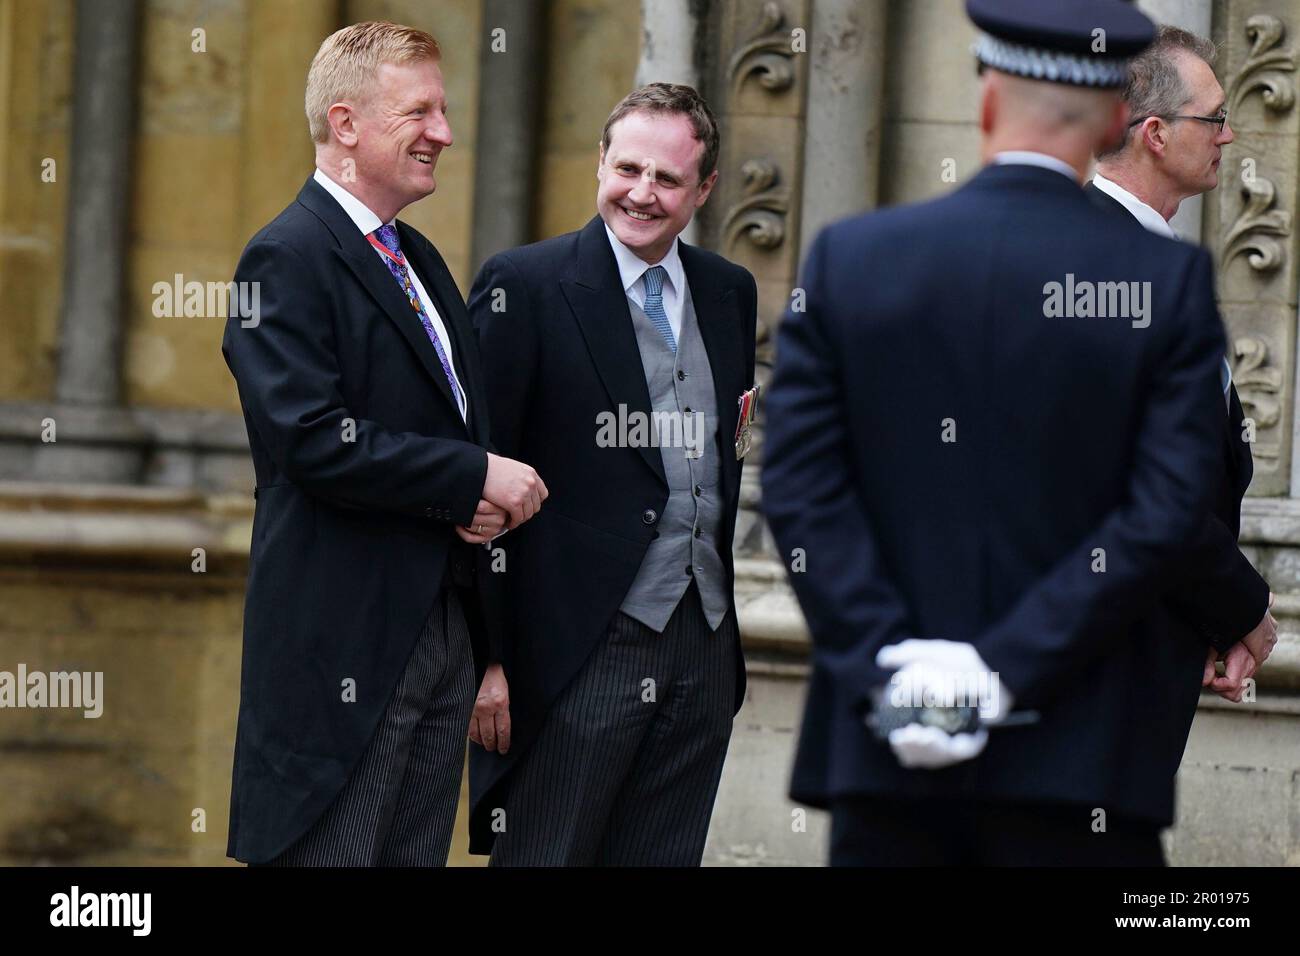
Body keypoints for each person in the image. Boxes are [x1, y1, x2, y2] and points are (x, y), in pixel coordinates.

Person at [764, 0, 1232, 865]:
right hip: (1078, 762)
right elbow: (1164, 513)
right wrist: (998, 672)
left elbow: (798, 489)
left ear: (986, 98)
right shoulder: (1167, 281)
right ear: (1111, 119)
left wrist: (894, 670)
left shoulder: (852, 257)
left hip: (888, 755)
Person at [222, 20, 545, 866]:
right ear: (345, 123)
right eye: (420, 112)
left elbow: (442, 428)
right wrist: (471, 473)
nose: (443, 131)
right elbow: (310, 439)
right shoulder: (284, 257)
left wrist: (474, 508)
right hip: (346, 650)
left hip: (442, 633)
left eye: (443, 110)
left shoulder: (422, 261)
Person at [466, 83, 757, 865]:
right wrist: (486, 657)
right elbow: (477, 479)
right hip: (578, 649)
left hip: (702, 641)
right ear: (600, 161)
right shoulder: (522, 285)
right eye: (627, 168)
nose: (642, 193)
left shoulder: (730, 291)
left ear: (704, 188)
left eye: (667, 179)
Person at [1087, 26, 1277, 700]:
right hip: (1105, 652)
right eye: (1215, 119)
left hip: (1158, 634)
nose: (1227, 137)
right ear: (1156, 134)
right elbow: (1141, 486)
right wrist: (1241, 608)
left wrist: (1202, 616)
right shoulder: (1099, 264)